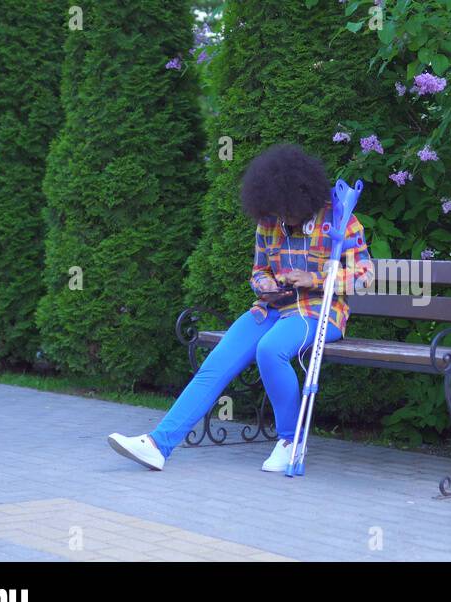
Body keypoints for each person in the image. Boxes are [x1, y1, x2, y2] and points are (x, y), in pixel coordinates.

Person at [108, 143, 374, 471]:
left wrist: (315, 278)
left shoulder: (339, 217)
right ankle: (159, 444)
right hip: (272, 309)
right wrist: (263, 285)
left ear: (302, 196)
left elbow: (366, 276)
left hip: (319, 311)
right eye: (276, 212)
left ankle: (291, 441)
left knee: (270, 349)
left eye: (286, 212)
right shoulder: (269, 221)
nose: (282, 220)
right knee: (216, 362)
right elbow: (260, 271)